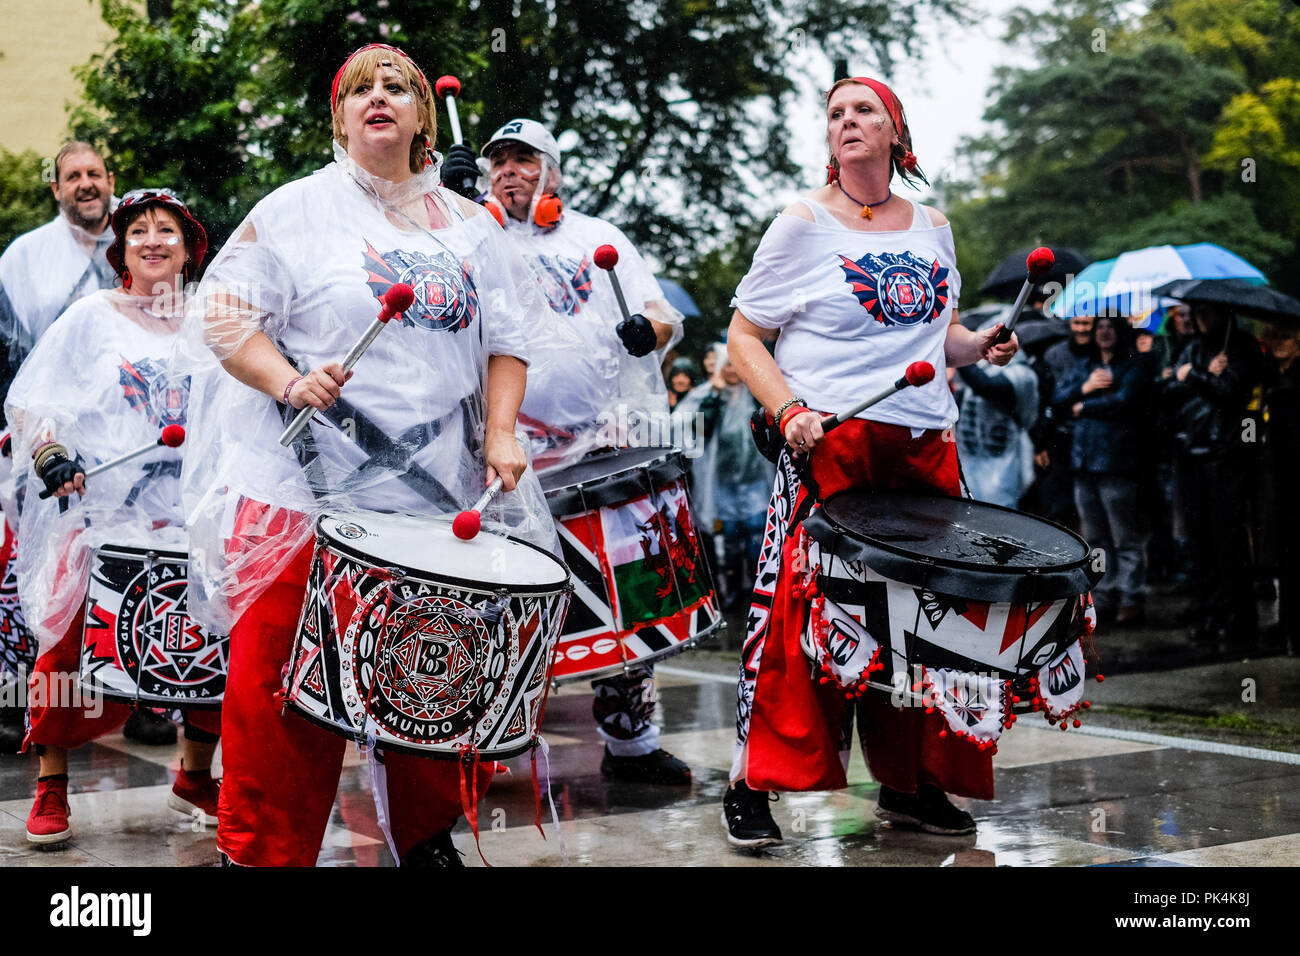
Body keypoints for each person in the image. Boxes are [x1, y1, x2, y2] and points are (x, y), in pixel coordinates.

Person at [182, 44, 556, 867]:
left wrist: (501, 430)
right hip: (299, 494)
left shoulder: (472, 228)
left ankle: (425, 839)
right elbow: (223, 315)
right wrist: (285, 379)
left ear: (422, 116)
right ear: (340, 118)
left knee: (435, 675)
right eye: (360, 90)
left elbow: (511, 339)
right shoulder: (293, 210)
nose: (377, 98)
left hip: (430, 502)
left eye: (396, 87)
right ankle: (263, 855)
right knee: (278, 693)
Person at [720, 76, 1018, 848]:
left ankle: (911, 786)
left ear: (895, 133)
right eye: (835, 115)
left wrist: (978, 343)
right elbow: (743, 339)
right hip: (830, 443)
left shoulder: (933, 225)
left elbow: (937, 335)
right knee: (802, 613)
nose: (846, 122)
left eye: (863, 112)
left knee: (925, 622)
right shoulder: (801, 223)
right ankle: (751, 780)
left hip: (923, 443)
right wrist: (788, 409)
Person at [446, 117, 692, 785]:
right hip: (507, 456)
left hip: (601, 452)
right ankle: (485, 744)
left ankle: (633, 745)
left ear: (552, 173)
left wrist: (651, 330)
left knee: (625, 605)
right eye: (499, 159)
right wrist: (449, 199)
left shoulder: (599, 237)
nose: (509, 170)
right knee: (505, 604)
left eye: (525, 159)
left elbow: (659, 311)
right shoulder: (470, 234)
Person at [4, 188, 222, 845]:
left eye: (167, 231)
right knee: (63, 657)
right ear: (121, 249)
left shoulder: (216, 323)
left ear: (189, 250)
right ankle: (51, 785)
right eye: (138, 232)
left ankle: (193, 778)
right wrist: (50, 456)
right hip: (99, 520)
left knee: (208, 646)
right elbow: (36, 403)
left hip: (190, 522)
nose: (153, 241)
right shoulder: (91, 317)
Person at [1161, 302, 1263, 649]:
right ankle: (1210, 612)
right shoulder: (1193, 347)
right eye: (1196, 312)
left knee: (1227, 540)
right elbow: (1167, 390)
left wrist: (1193, 375)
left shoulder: (1241, 345)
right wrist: (1203, 374)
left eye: (1206, 311)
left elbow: (1231, 391)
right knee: (1200, 539)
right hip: (1191, 450)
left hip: (1224, 453)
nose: (1200, 318)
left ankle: (1239, 619)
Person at [1053, 314, 1149, 624]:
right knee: (1095, 536)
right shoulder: (1086, 366)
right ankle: (1103, 595)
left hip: (1117, 462)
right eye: (1100, 328)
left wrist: (1085, 406)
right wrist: (1088, 387)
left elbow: (1126, 401)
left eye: (1111, 327)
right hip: (1084, 462)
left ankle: (1131, 596)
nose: (1105, 333)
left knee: (1125, 535)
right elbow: (1058, 399)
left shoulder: (1133, 365)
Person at [689, 343, 773, 608]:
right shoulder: (711, 397)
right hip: (724, 482)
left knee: (757, 535)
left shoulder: (756, 393)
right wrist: (713, 394)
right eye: (727, 364)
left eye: (736, 364)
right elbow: (697, 429)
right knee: (731, 538)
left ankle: (755, 586)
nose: (732, 370)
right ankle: (735, 590)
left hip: (754, 480)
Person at [954, 316, 1038, 508]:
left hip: (1002, 459)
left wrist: (960, 354)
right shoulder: (981, 366)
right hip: (971, 455)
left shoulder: (1022, 374)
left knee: (999, 513)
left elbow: (986, 386)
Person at [1260, 322, 1300, 655]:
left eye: (1285, 336)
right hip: (1277, 475)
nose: (1278, 343)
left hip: (1291, 472)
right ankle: (1287, 623)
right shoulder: (1271, 374)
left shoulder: (1290, 380)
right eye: (1273, 337)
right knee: (1283, 552)